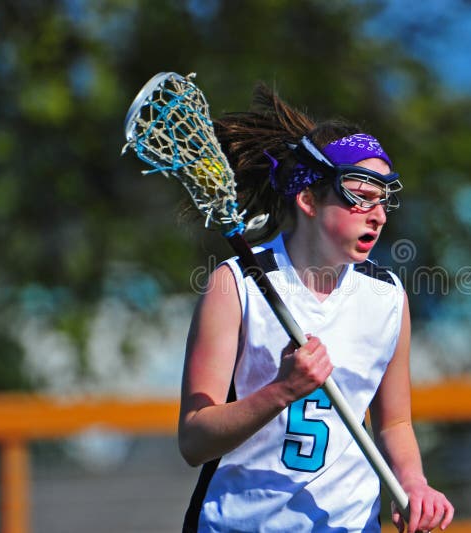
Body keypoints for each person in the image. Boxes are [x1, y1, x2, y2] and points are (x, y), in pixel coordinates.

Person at [178, 84, 454, 533]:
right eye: (360, 195)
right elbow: (194, 440)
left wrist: (414, 483)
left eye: (384, 198)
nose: (378, 214)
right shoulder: (237, 285)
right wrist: (282, 390)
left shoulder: (387, 298)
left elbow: (395, 421)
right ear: (307, 199)